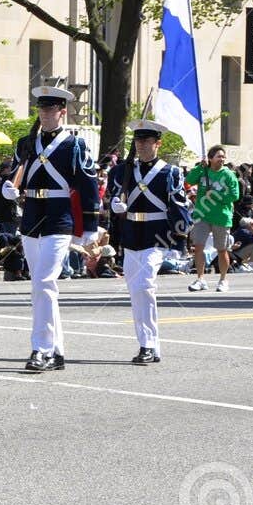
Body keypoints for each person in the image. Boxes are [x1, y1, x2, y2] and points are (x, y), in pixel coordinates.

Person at [1, 86, 100, 373]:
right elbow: (17, 172)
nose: (45, 114)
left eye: (50, 109)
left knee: (44, 282)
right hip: (32, 215)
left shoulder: (74, 145)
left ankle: (41, 349)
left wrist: (90, 226)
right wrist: (8, 188)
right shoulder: (26, 142)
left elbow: (87, 184)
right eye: (41, 109)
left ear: (62, 112)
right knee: (40, 286)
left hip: (59, 217)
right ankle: (57, 350)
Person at [106, 121, 185, 364]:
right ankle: (148, 345)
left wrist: (178, 244)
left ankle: (148, 345)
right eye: (138, 141)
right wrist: (115, 205)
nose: (141, 145)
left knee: (144, 287)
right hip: (132, 233)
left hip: (157, 234)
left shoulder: (170, 172)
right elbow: (113, 195)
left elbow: (179, 208)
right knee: (135, 290)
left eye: (146, 141)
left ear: (157, 143)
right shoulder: (123, 170)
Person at [185, 145, 239, 292]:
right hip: (202, 215)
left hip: (221, 217)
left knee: (222, 249)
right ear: (210, 158)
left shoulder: (228, 175)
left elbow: (234, 195)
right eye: (218, 156)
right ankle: (200, 279)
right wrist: (199, 168)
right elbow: (188, 180)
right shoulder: (203, 171)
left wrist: (216, 194)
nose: (222, 159)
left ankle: (223, 280)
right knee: (198, 247)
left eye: (223, 156)